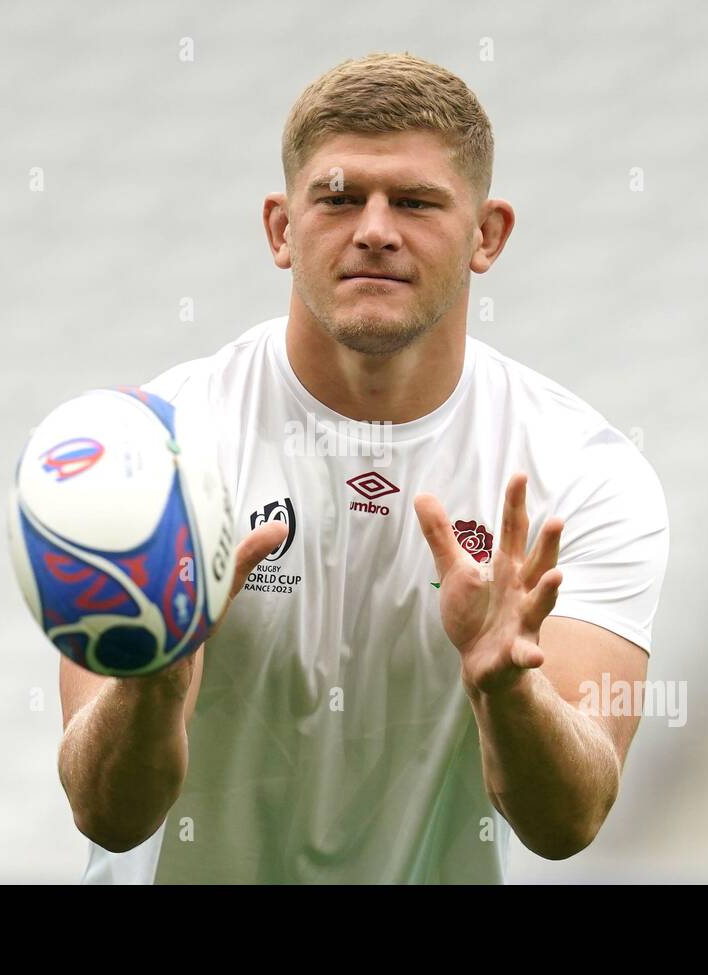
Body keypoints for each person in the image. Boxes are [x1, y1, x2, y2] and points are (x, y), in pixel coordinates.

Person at [57, 51, 669, 883]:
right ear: (281, 227)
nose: (375, 228)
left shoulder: (583, 474)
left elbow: (569, 820)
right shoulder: (151, 455)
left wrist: (507, 689)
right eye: (339, 198)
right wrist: (156, 682)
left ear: (487, 234)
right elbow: (106, 814)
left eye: (415, 202)